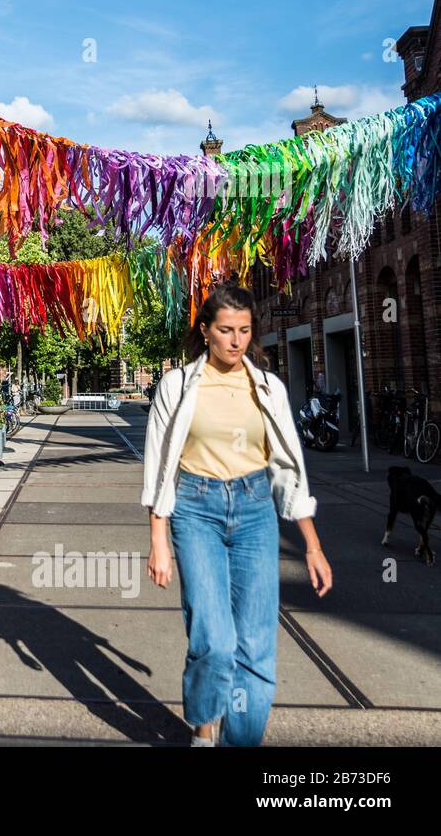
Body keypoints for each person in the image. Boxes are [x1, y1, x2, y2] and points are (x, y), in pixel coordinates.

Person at [143, 284, 333, 748]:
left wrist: (312, 544)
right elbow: (158, 464)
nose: (235, 341)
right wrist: (159, 539)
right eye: (225, 330)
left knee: (255, 647)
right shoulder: (178, 385)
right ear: (205, 330)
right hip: (195, 509)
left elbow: (289, 466)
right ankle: (205, 726)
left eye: (244, 331)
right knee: (213, 639)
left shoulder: (269, 388)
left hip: (254, 511)